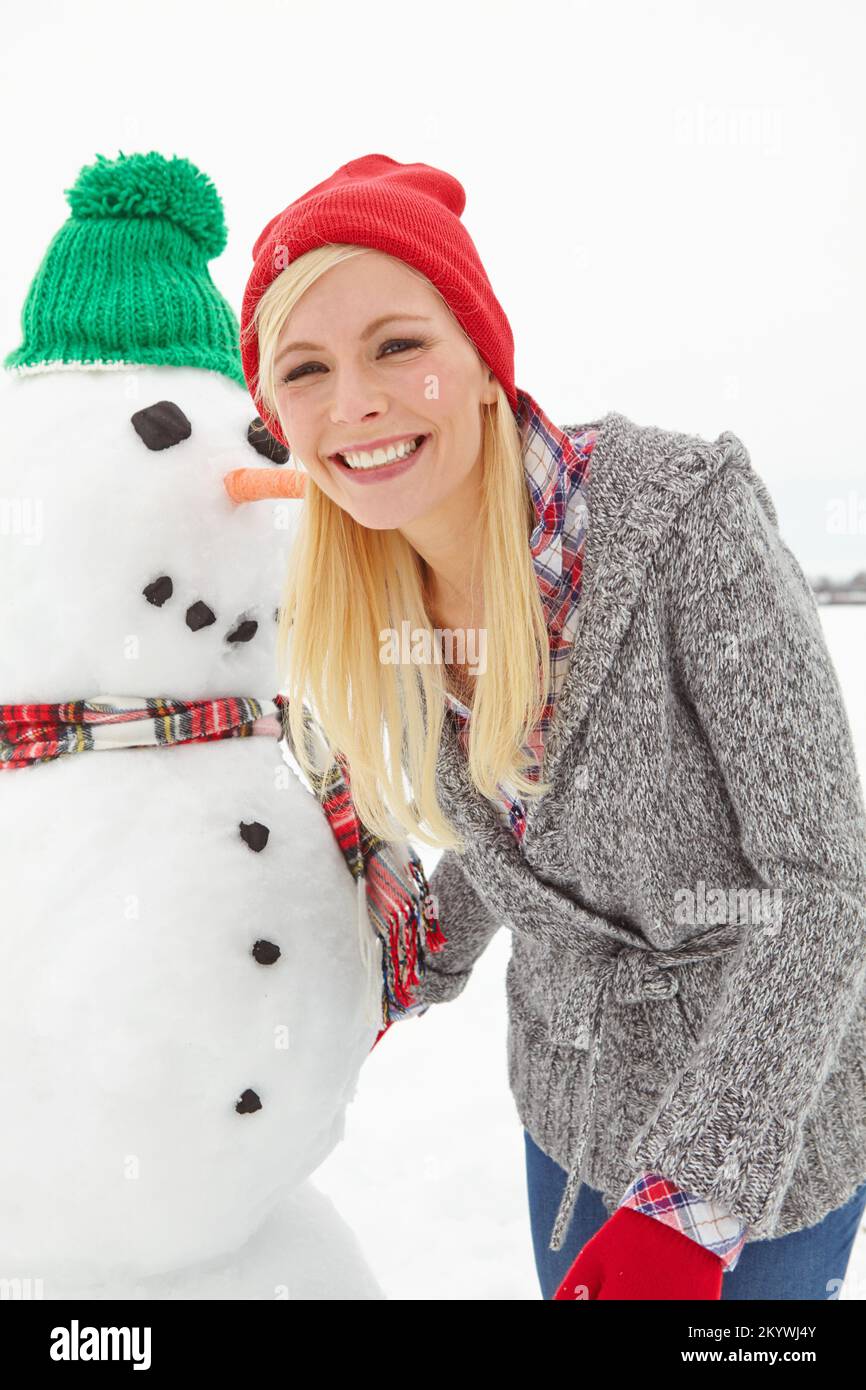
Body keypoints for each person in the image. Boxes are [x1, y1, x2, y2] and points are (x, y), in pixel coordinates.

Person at [238, 154, 866, 1300]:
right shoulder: (379, 595)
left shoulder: (681, 517)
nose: (353, 403)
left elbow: (822, 888)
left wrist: (693, 1209)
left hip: (760, 1142)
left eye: (395, 345)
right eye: (305, 369)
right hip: (568, 1112)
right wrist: (401, 969)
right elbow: (510, 833)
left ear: (480, 360)